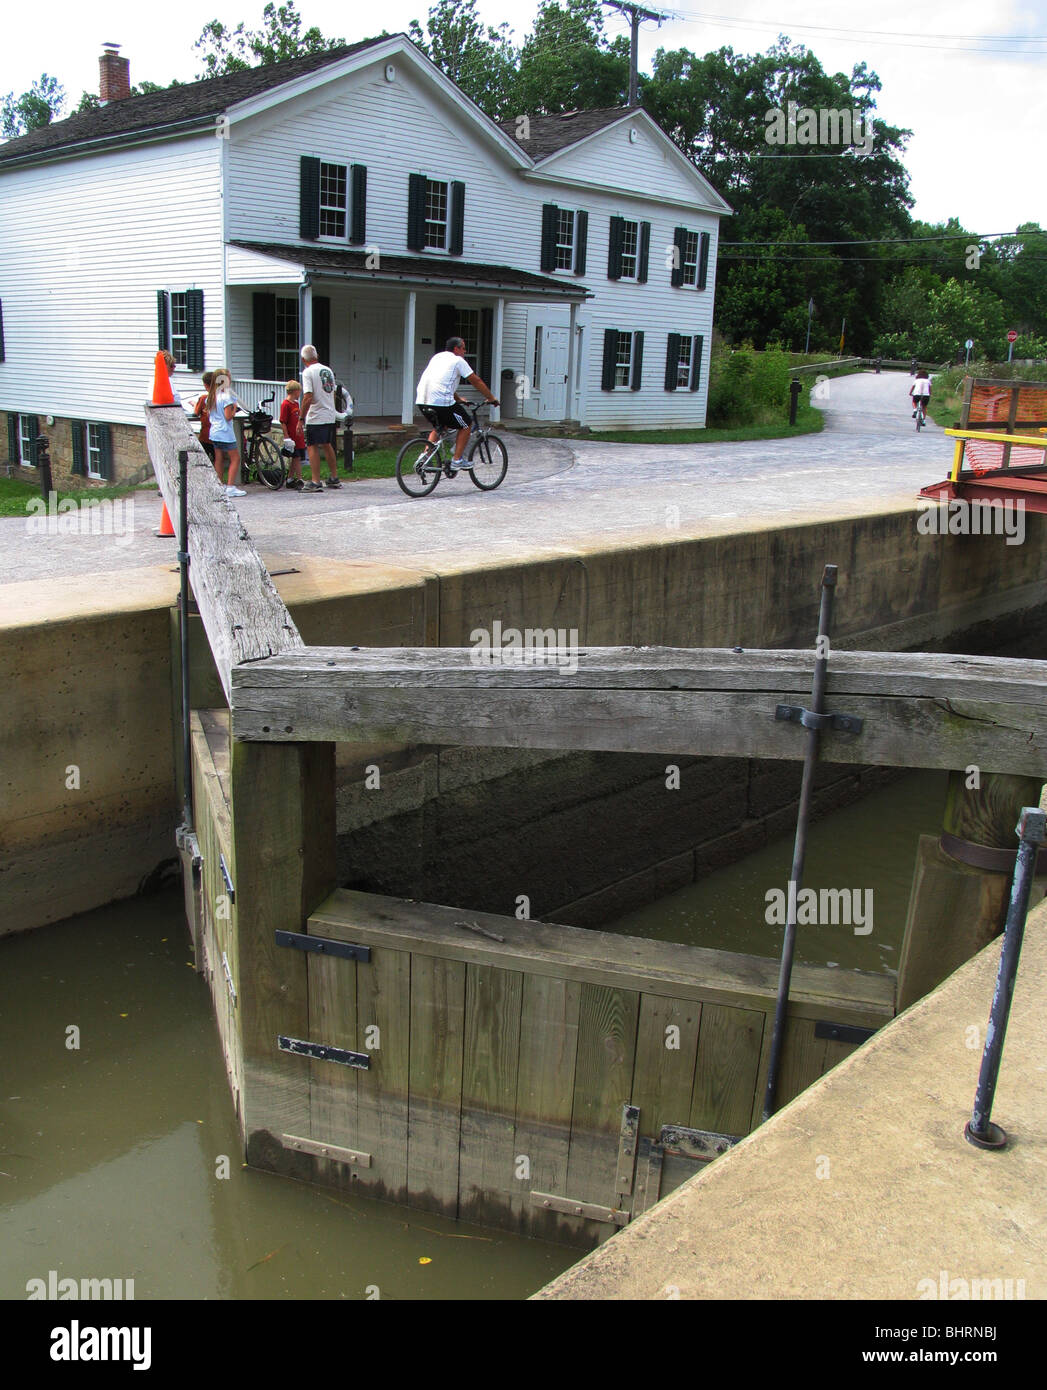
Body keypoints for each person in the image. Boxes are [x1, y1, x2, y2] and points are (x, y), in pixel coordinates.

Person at [414, 336, 498, 474]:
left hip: (422, 401)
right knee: (466, 424)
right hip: (441, 403)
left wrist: (458, 399)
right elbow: (476, 381)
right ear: (456, 349)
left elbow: (442, 383)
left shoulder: (437, 358)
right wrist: (491, 398)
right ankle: (457, 460)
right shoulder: (458, 360)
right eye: (463, 348)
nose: (465, 351)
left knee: (440, 427)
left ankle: (424, 458)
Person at [299, 345, 341, 492]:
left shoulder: (307, 372)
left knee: (312, 446)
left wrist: (301, 417)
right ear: (316, 356)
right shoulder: (327, 370)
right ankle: (334, 477)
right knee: (327, 444)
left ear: (304, 359)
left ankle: (315, 480)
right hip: (329, 413)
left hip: (316, 414)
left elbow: (308, 396)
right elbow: (333, 392)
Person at [205, 367, 245, 497]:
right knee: (235, 458)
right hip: (225, 432)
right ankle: (231, 486)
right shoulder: (226, 397)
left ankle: (219, 484)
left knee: (219, 458)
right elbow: (228, 416)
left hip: (215, 431)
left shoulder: (211, 397)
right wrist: (234, 408)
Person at [279, 380, 307, 491]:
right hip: (291, 436)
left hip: (298, 435)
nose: (299, 393)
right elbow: (283, 421)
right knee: (297, 457)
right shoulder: (285, 404)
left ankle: (290, 479)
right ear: (295, 391)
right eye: (299, 391)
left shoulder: (296, 404)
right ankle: (300, 479)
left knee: (297, 457)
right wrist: (286, 437)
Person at [192, 371, 216, 463]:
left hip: (206, 436)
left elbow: (196, 412)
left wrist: (195, 404)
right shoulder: (222, 398)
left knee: (202, 460)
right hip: (218, 437)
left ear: (205, 385)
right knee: (218, 461)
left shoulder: (203, 399)